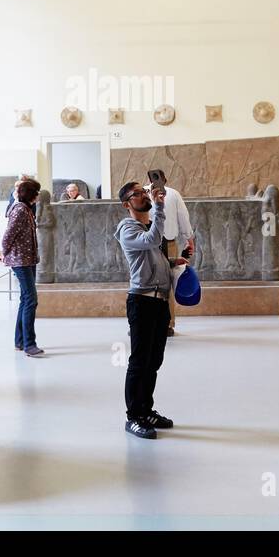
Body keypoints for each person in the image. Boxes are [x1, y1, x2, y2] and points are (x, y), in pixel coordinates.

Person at [115, 180, 186, 439]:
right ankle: (133, 417)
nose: (144, 195)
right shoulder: (127, 228)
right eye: (137, 194)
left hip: (159, 302)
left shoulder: (146, 227)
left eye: (144, 191)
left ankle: (147, 410)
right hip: (141, 301)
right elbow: (152, 239)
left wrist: (170, 262)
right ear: (126, 204)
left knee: (154, 361)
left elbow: (152, 254)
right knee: (139, 361)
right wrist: (158, 207)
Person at [1, 178, 44, 357]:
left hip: (28, 259)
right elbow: (7, 237)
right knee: (31, 300)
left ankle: (20, 340)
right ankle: (29, 344)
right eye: (36, 192)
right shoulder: (19, 210)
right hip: (21, 261)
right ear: (30, 194)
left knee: (25, 300)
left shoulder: (26, 209)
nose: (38, 195)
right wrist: (5, 253)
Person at [149, 169, 195, 337]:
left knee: (145, 283)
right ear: (165, 180)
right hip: (168, 243)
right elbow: (183, 217)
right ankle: (167, 324)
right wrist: (189, 239)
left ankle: (148, 323)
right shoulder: (173, 193)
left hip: (148, 244)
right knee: (167, 285)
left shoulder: (144, 193)